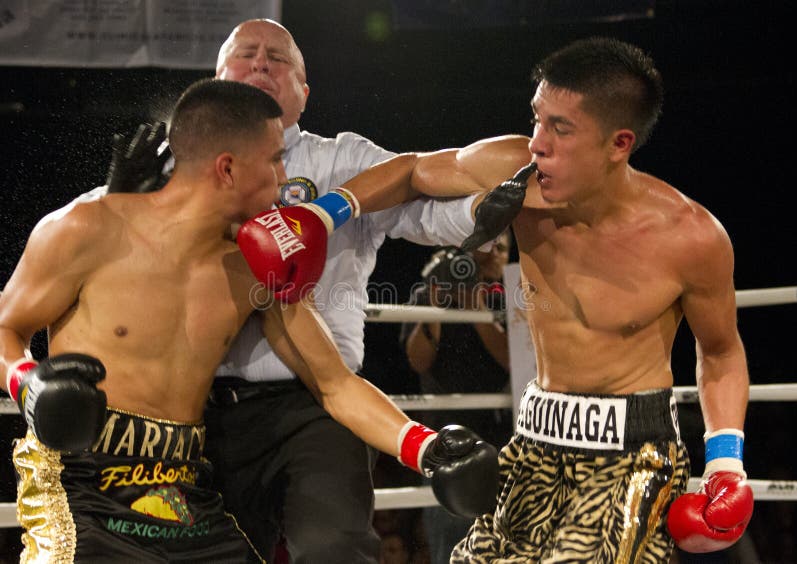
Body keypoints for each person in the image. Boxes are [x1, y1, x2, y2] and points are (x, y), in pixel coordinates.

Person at [0, 78, 496, 562]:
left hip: (182, 493)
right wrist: (29, 384)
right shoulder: (87, 227)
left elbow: (334, 385)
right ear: (228, 169)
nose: (286, 179)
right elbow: (5, 328)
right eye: (276, 159)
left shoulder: (256, 264)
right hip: (84, 484)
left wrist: (426, 448)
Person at [343, 36, 753, 562]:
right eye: (538, 118)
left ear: (618, 144)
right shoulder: (522, 176)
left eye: (561, 128)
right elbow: (409, 171)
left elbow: (720, 351)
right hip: (534, 442)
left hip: (629, 456)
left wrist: (725, 463)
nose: (538, 143)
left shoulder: (691, 238)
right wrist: (323, 212)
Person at [400, 234, 513, 564]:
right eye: (487, 246)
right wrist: (437, 305)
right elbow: (417, 361)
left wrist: (476, 309)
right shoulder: (429, 294)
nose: (493, 254)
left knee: (507, 540)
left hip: (503, 436)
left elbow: (512, 360)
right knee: (450, 538)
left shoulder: (512, 299)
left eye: (502, 248)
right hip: (445, 436)